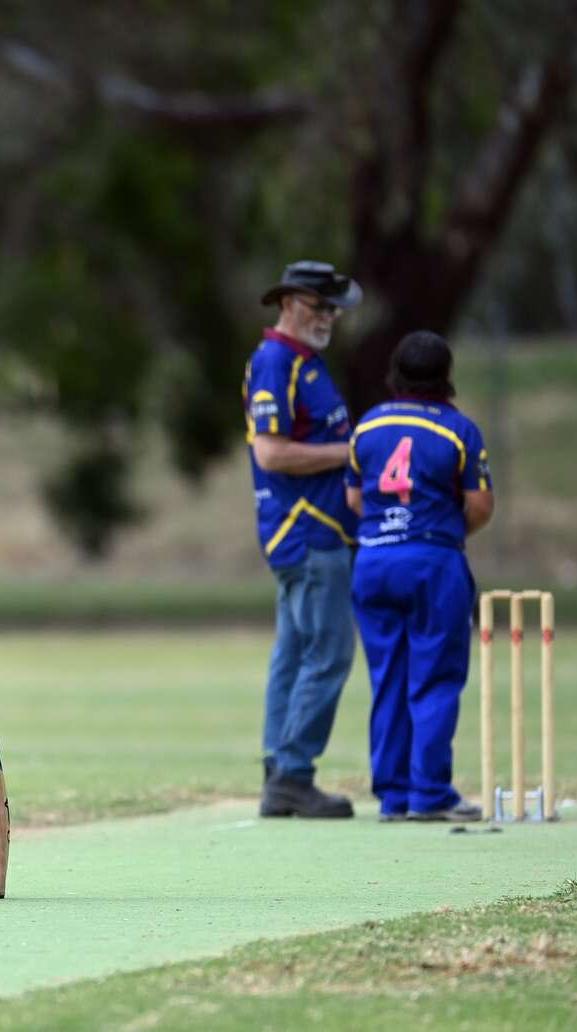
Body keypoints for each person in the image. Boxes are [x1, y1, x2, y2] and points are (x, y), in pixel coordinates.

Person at [346, 332, 492, 821]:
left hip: (374, 562)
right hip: (432, 561)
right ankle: (429, 794)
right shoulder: (458, 430)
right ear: (445, 375)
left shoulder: (366, 426)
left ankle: (392, 795)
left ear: (396, 372)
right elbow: (480, 505)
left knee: (388, 677)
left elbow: (354, 500)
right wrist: (446, 530)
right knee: (435, 676)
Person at [243, 261, 361, 819]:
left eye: (333, 309)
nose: (329, 318)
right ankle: (293, 772)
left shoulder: (306, 364)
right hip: (306, 531)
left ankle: (280, 768)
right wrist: (352, 452)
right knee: (329, 651)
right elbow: (271, 452)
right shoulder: (276, 361)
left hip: (317, 531)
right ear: (289, 303)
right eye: (320, 307)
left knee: (294, 650)